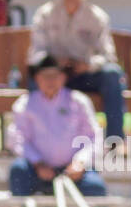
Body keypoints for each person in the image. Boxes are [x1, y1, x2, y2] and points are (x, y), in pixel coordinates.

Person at [27, 0, 126, 146]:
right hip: (53, 76)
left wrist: (87, 65)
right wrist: (54, 64)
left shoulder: (96, 17)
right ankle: (35, 139)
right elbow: (36, 54)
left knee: (113, 75)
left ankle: (114, 141)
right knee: (35, 78)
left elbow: (107, 56)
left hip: (85, 76)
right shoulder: (45, 14)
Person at [7, 55, 110, 198]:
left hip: (74, 171)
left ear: (63, 78)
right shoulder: (24, 104)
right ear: (37, 79)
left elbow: (93, 137)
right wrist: (38, 163)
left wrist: (80, 162)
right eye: (45, 76)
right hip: (37, 171)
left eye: (54, 76)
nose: (50, 81)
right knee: (19, 171)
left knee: (95, 187)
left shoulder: (79, 101)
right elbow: (18, 138)